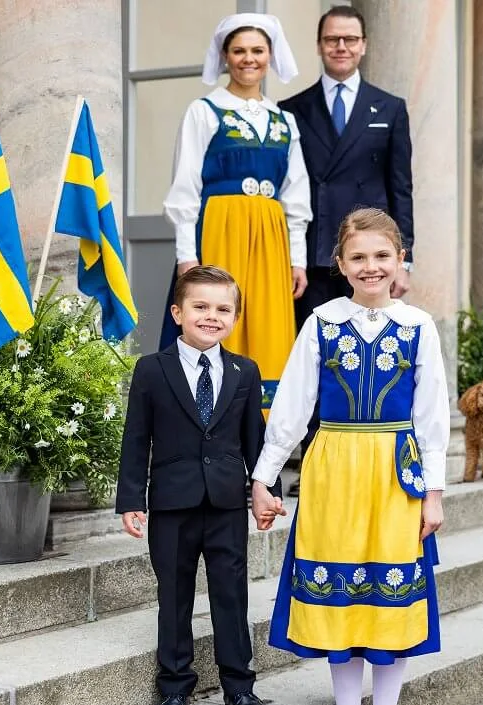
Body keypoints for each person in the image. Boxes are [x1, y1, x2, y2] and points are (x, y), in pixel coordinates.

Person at [251, 209, 449, 705]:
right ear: (339, 264)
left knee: (387, 607)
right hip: (333, 470)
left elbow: (433, 419)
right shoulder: (320, 322)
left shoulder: (418, 326)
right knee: (341, 606)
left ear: (399, 262)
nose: (370, 266)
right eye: (358, 257)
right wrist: (264, 478)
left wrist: (433, 495)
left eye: (381, 256)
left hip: (394, 473)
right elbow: (291, 407)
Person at [117, 266, 283, 705]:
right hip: (172, 504)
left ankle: (239, 685)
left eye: (223, 309)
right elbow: (136, 439)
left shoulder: (244, 372)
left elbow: (256, 440)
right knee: (174, 594)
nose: (212, 316)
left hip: (227, 503)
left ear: (235, 317)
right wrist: (132, 499)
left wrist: (265, 489)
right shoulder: (152, 369)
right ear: (178, 312)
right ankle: (173, 688)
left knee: (231, 595)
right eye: (201, 307)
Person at [279, 5, 415, 494]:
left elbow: (401, 188)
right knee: (321, 357)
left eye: (350, 39)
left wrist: (404, 258)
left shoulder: (390, 107)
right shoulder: (292, 110)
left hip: (375, 255)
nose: (341, 47)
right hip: (316, 253)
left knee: (374, 353)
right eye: (332, 39)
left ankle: (374, 459)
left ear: (364, 46)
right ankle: (316, 462)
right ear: (319, 45)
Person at [160, 13, 312, 413]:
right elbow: (185, 188)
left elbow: (296, 195)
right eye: (239, 50)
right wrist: (186, 256)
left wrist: (297, 258)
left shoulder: (284, 121)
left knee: (267, 329)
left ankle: (263, 440)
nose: (249, 59)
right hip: (220, 229)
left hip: (271, 238)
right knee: (217, 320)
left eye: (257, 51)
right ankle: (211, 427)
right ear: (225, 57)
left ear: (270, 56)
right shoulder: (205, 110)